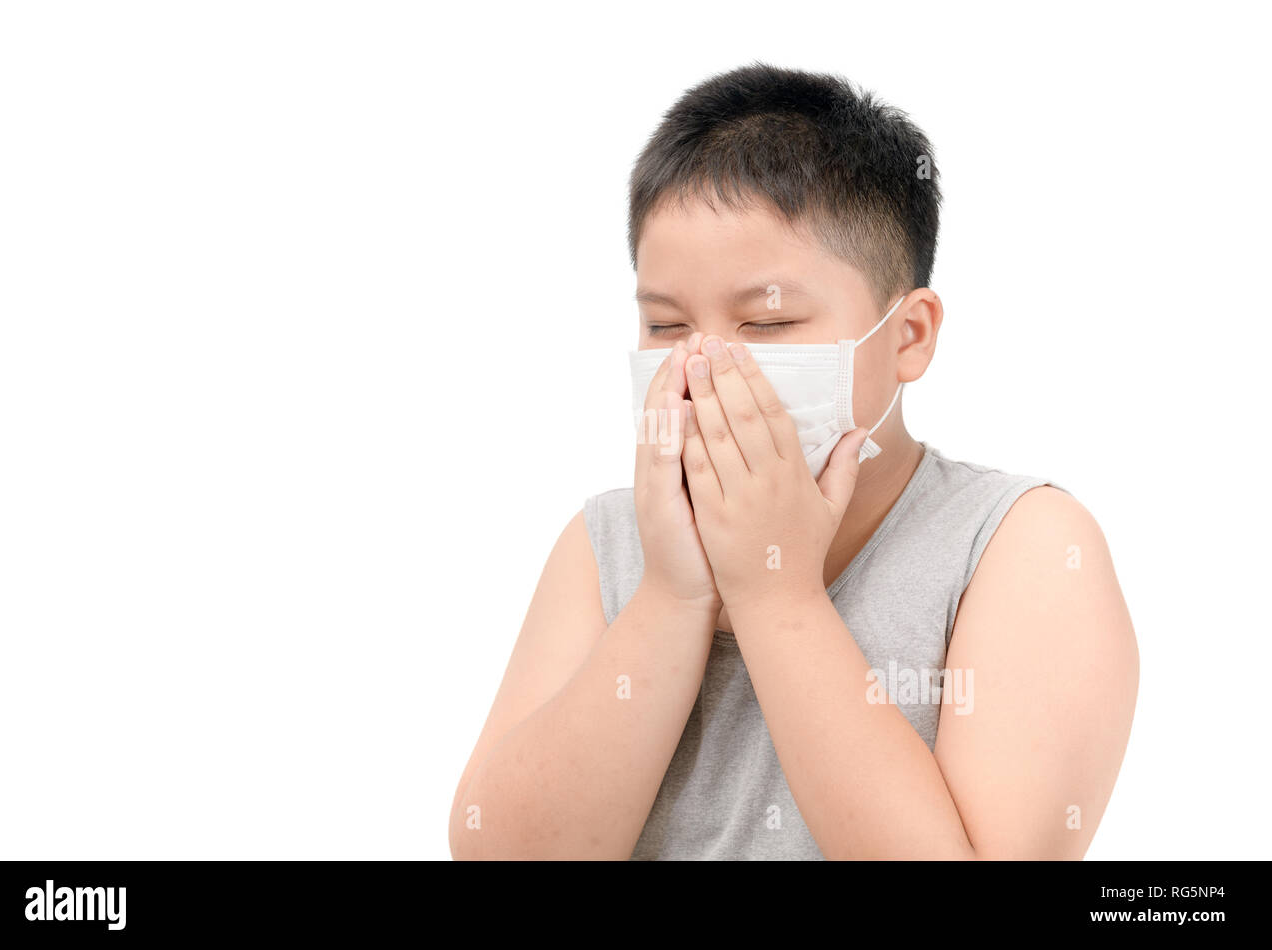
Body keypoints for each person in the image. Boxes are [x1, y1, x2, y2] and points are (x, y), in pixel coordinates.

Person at [448, 62, 1139, 860]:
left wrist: (776, 595)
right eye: (668, 327)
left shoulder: (1022, 547)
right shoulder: (606, 543)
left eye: (767, 326)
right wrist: (672, 596)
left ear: (908, 335)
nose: (706, 366)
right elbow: (496, 852)